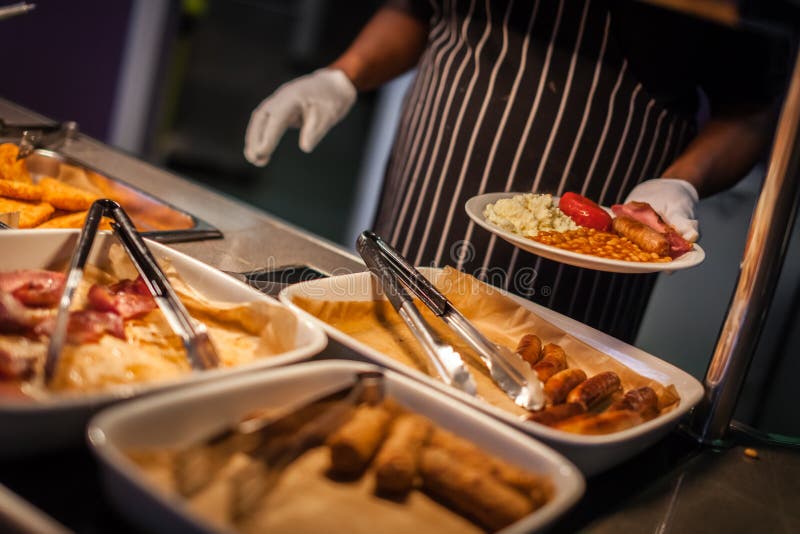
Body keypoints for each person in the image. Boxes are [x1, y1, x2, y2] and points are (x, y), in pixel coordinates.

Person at [244, 0, 788, 343]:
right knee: (389, 337)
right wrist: (343, 75)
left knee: (551, 378)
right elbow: (416, 8)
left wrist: (683, 180)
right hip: (436, 166)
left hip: (599, 222)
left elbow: (750, 108)